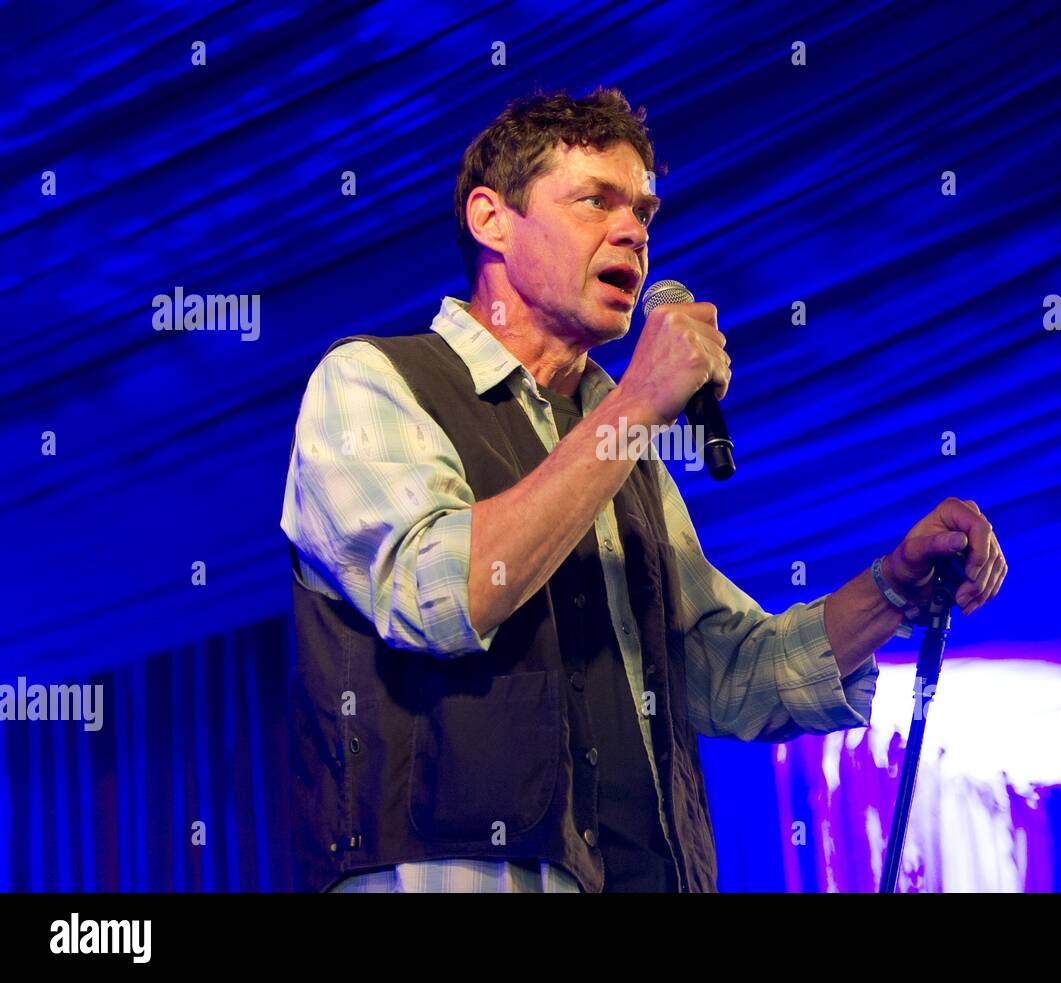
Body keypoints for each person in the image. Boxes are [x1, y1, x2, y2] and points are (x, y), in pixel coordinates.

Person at [279, 85, 1007, 893]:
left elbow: (730, 671)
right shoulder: (374, 382)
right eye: (595, 201)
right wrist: (634, 406)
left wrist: (891, 590)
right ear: (491, 221)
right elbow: (439, 592)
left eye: (644, 214)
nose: (632, 231)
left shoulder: (622, 451)